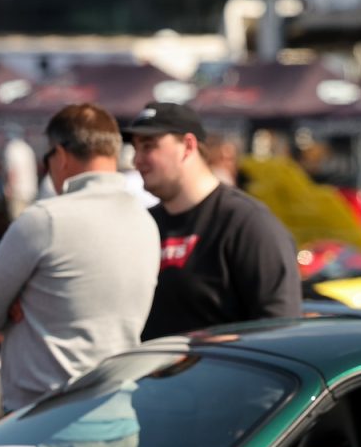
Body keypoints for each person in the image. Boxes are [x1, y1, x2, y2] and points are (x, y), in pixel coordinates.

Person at [0, 103, 159, 412]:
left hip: (44, 420)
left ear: (61, 155)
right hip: (118, 412)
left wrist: (23, 298)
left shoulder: (45, 219)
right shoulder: (146, 222)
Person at [126, 102, 300, 340]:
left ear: (188, 146)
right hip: (148, 375)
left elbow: (279, 328)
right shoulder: (144, 224)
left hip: (225, 375)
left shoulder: (247, 223)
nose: (137, 160)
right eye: (135, 149)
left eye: (148, 146)